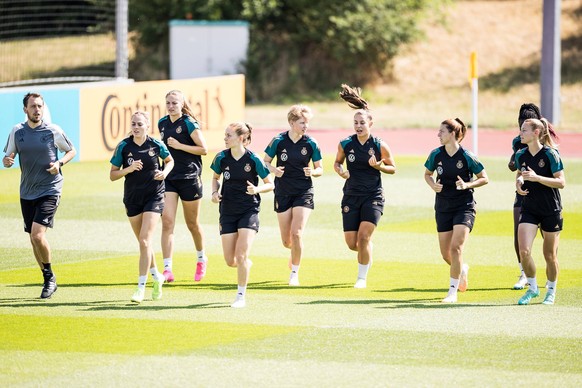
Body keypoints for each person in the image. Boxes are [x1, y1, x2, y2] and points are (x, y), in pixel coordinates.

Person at [2, 92, 77, 299]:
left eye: (40, 106)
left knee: (37, 234)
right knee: (33, 240)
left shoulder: (53, 130)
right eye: (33, 106)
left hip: (50, 189)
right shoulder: (17, 131)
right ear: (25, 109)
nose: (37, 110)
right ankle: (48, 278)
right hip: (27, 191)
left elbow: (71, 151)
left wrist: (59, 164)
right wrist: (7, 161)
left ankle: (50, 278)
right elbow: (9, 155)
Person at [334, 84, 396, 289]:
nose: (358, 126)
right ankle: (367, 250)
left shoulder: (379, 145)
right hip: (351, 196)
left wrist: (380, 166)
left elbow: (392, 168)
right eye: (355, 122)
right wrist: (340, 171)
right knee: (353, 243)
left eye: (362, 122)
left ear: (371, 123)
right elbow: (337, 162)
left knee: (363, 237)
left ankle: (361, 278)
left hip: (373, 196)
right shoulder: (345, 144)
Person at [110, 111, 174, 303]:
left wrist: (164, 172)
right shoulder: (124, 146)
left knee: (145, 241)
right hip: (132, 198)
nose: (136, 127)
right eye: (133, 124)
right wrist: (128, 169)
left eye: (140, 124)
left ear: (147, 126)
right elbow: (113, 175)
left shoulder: (156, 145)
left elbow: (170, 161)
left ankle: (140, 288)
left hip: (154, 197)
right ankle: (157, 278)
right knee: (143, 243)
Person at [424, 118, 488, 303]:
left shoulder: (467, 156)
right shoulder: (435, 154)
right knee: (446, 254)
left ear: (452, 134)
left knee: (456, 248)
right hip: (443, 207)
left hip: (464, 206)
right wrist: (433, 185)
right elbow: (427, 174)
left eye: (441, 131)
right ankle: (462, 269)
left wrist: (467, 184)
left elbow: (484, 178)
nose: (438, 134)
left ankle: (452, 292)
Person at [210, 122, 274, 308]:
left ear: (240, 138)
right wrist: (214, 193)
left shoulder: (253, 159)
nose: (225, 138)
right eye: (225, 135)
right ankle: (244, 264)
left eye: (228, 135)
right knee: (231, 261)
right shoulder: (221, 157)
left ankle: (240, 296)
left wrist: (257, 189)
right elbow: (215, 178)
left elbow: (270, 184)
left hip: (249, 210)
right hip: (227, 211)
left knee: (241, 255)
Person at [263, 105, 323, 286]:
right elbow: (264, 161)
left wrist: (312, 172)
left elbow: (320, 168)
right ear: (291, 122)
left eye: (307, 123)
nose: (306, 126)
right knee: (287, 241)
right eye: (302, 122)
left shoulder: (311, 143)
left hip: (304, 191)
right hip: (282, 191)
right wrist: (273, 170)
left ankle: (294, 274)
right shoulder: (278, 140)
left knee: (297, 233)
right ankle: (293, 252)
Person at [158, 90, 209, 283]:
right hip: (169, 178)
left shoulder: (189, 123)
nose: (171, 106)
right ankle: (167, 269)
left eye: (174, 103)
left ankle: (201, 258)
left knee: (192, 224)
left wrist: (180, 146)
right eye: (168, 103)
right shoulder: (162, 123)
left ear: (181, 105)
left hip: (189, 177)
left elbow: (203, 149)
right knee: (168, 221)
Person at [515, 118, 564, 305]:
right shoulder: (521, 154)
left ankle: (551, 290)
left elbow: (561, 182)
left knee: (550, 255)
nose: (521, 133)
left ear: (536, 133)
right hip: (529, 208)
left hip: (551, 209)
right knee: (524, 251)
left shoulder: (551, 154)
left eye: (524, 130)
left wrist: (537, 178)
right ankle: (533, 288)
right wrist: (519, 183)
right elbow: (520, 175)